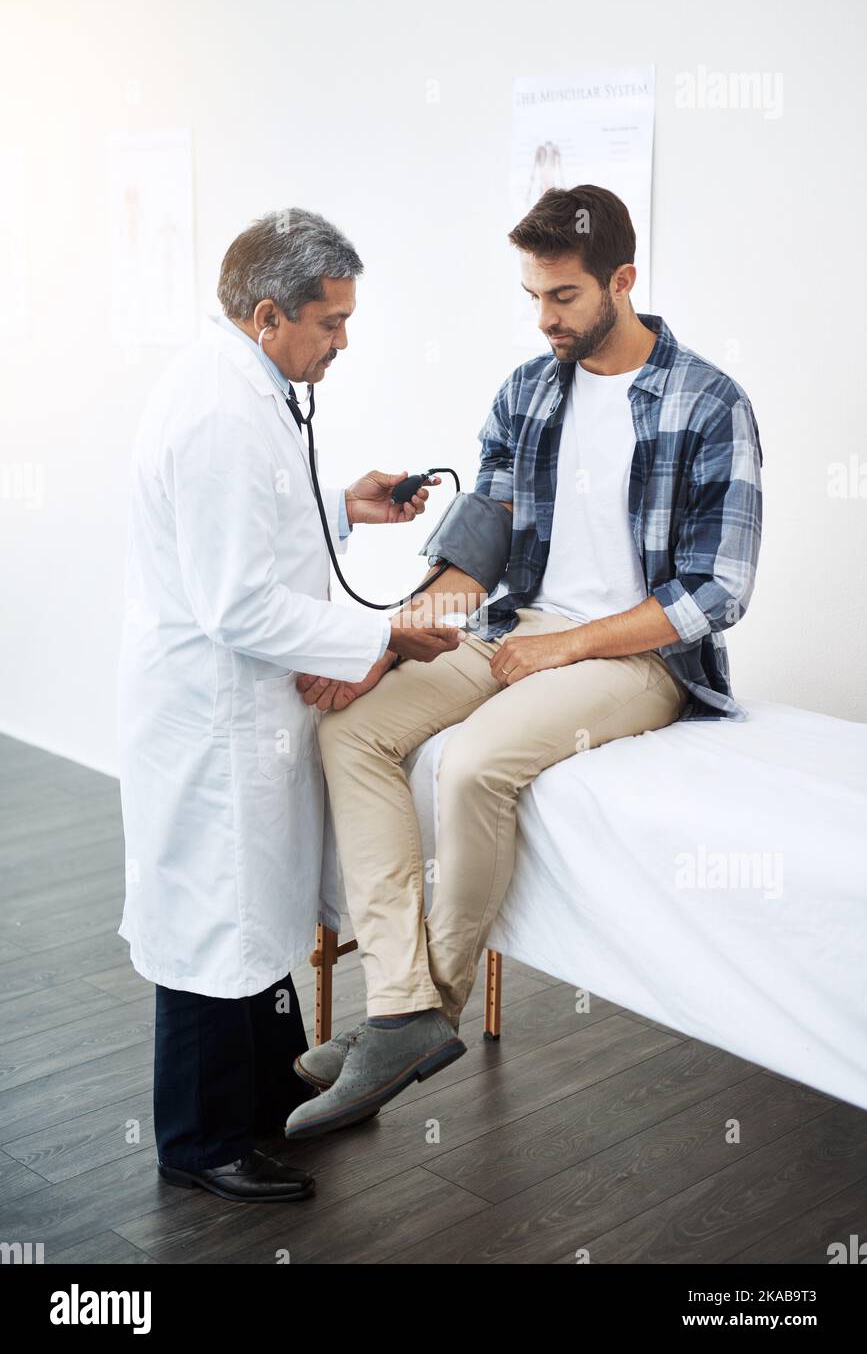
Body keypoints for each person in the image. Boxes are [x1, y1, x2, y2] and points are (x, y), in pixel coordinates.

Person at [284, 183, 763, 1140]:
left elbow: (718, 592)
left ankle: (424, 1013)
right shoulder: (525, 392)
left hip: (640, 658)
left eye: (565, 298)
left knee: (472, 763)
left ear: (622, 281)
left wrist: (569, 645)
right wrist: (385, 648)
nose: (545, 319)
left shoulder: (707, 402)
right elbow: (477, 555)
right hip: (514, 628)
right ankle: (399, 1001)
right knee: (351, 730)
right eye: (534, 297)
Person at [117, 207, 461, 1201]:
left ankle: (271, 1103)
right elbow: (234, 601)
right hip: (213, 713)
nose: (344, 341)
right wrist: (384, 637)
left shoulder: (251, 384)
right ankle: (198, 1142)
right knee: (211, 931)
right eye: (332, 322)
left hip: (248, 713)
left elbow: (260, 535)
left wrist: (341, 506)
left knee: (257, 919)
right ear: (271, 315)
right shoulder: (224, 410)